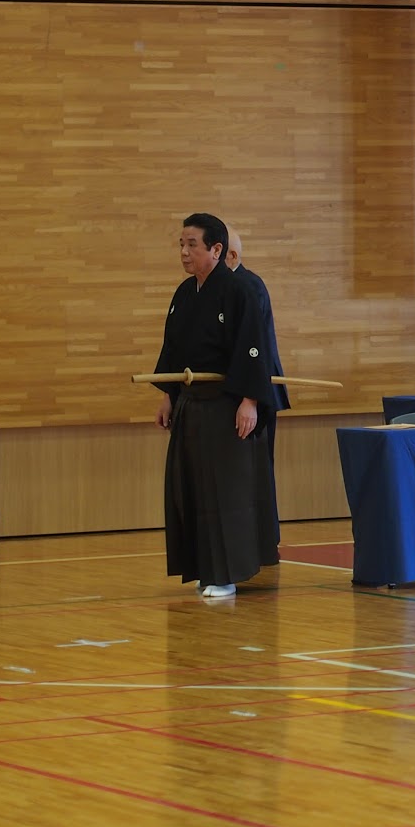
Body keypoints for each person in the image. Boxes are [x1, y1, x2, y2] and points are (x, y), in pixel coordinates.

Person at [152, 213, 279, 599]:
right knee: (190, 487)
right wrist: (168, 394)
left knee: (225, 492)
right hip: (192, 403)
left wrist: (249, 401)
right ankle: (204, 568)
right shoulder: (184, 293)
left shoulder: (239, 290)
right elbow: (173, 348)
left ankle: (225, 574)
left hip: (227, 405)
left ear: (217, 249)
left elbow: (254, 348)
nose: (184, 252)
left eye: (192, 245)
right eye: (181, 244)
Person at [225, 230, 289, 492]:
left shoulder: (248, 286)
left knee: (254, 473)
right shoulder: (216, 287)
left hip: (255, 391)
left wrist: (250, 399)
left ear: (231, 255)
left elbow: (257, 344)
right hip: (231, 392)